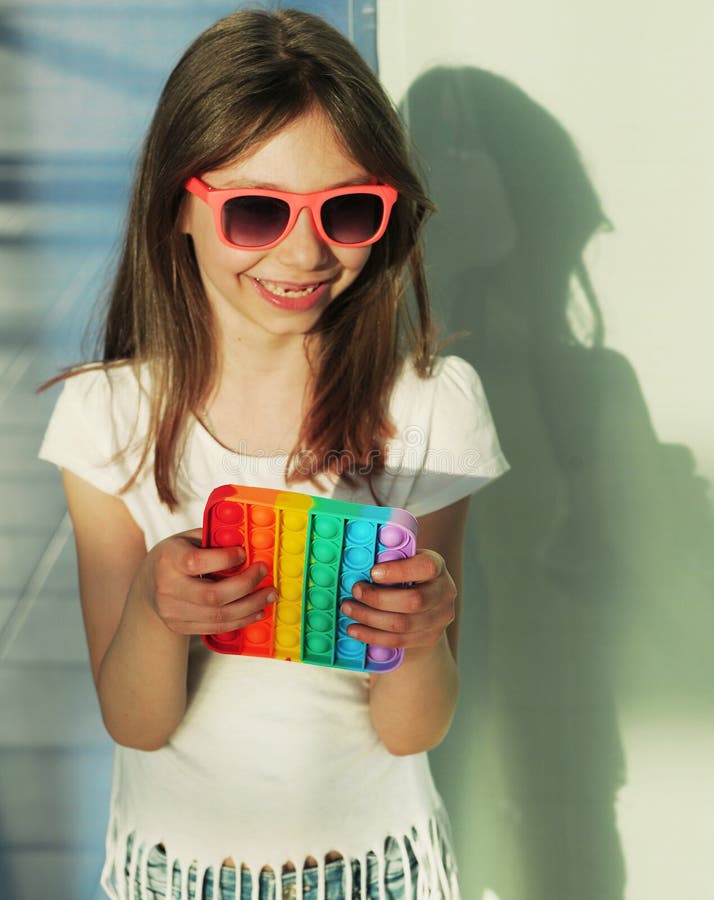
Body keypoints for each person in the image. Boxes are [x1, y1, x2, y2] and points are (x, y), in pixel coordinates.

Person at [39, 9, 509, 900]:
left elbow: (415, 731)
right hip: (173, 875)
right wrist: (151, 605)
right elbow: (137, 725)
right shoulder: (107, 416)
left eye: (347, 210)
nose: (303, 250)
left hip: (378, 871)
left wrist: (418, 634)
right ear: (179, 204)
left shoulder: (430, 406)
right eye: (256, 210)